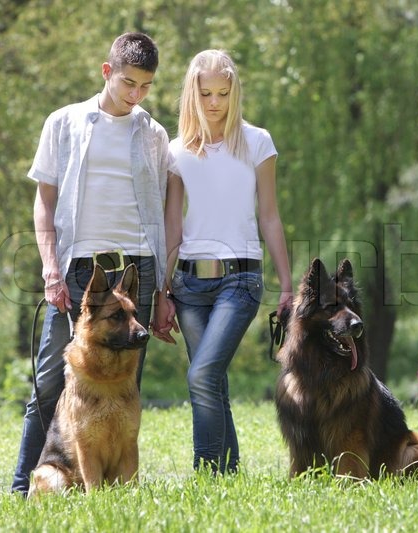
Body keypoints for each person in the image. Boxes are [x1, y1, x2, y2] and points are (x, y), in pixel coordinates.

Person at [11, 32, 177, 496]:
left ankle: (115, 497)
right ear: (107, 72)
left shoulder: (154, 134)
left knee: (126, 386)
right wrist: (50, 269)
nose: (136, 95)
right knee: (48, 381)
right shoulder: (63, 123)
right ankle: (25, 488)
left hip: (136, 270)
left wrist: (163, 290)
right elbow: (44, 201)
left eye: (145, 86)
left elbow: (163, 214)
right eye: (128, 83)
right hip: (80, 270)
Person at [153, 49, 293, 474]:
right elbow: (172, 225)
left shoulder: (257, 142)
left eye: (223, 93)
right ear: (192, 94)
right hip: (189, 286)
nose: (214, 102)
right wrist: (163, 290)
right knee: (210, 381)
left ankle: (206, 474)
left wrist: (286, 283)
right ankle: (228, 477)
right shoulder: (175, 152)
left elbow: (269, 215)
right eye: (206, 93)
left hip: (241, 279)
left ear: (235, 92)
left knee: (200, 377)